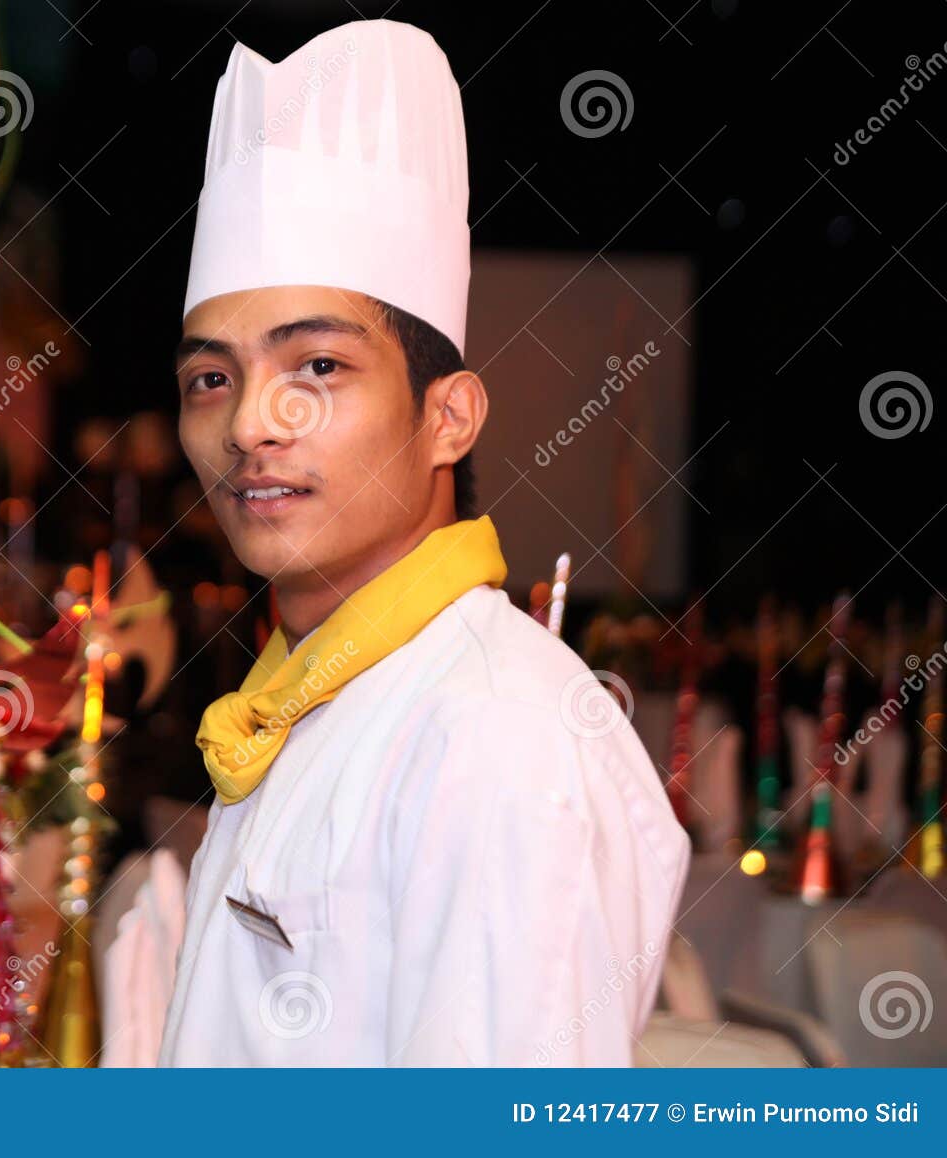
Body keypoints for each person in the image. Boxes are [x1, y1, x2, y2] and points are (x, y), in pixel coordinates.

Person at [157, 18, 689, 1066]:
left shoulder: (490, 734)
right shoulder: (309, 695)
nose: (252, 423)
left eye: (317, 366)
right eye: (210, 378)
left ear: (449, 417)